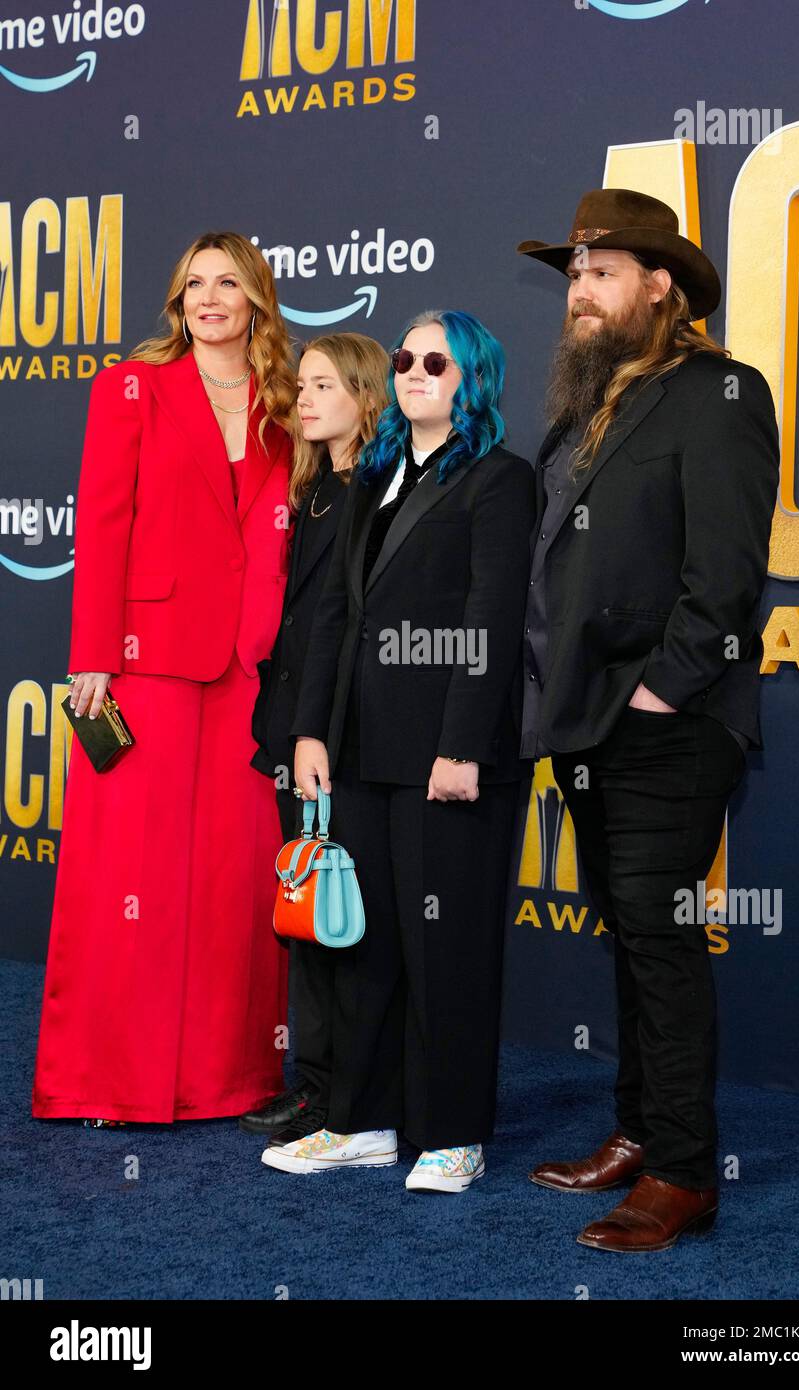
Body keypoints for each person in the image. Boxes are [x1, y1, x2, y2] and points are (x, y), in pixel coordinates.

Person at [517, 189, 779, 1249]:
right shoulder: (590, 403)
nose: (579, 290)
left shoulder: (718, 392)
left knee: (661, 941)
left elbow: (723, 577)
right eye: (573, 273)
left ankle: (680, 1169)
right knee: (627, 935)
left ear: (660, 285)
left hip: (669, 719)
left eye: (602, 271)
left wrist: (656, 691)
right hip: (585, 726)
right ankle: (634, 1130)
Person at [260, 309, 535, 1192]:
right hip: (360, 751)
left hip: (450, 760)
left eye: (438, 362)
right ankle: (362, 1120)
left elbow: (491, 618)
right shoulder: (373, 477)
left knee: (445, 950)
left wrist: (459, 750)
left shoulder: (500, 481)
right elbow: (335, 616)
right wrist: (311, 732)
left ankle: (454, 1133)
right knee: (363, 950)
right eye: (408, 358)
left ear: (473, 381)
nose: (416, 371)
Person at [32, 232, 297, 1124]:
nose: (209, 299)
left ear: (257, 296)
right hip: (146, 662)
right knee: (132, 876)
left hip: (251, 669)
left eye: (228, 283)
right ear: (177, 300)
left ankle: (232, 1078)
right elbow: (102, 525)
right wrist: (94, 657)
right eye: (194, 285)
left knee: (235, 877)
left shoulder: (287, 398)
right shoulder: (130, 387)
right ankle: (111, 1079)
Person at [240, 332, 390, 1143]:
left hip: (329, 738)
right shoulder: (317, 488)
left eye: (323, 385)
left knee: (338, 917)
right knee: (304, 913)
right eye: (301, 384)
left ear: (366, 396)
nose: (302, 398)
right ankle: (317, 1087)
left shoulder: (371, 492)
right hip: (292, 728)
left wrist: (311, 734)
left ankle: (343, 1100)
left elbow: (343, 629)